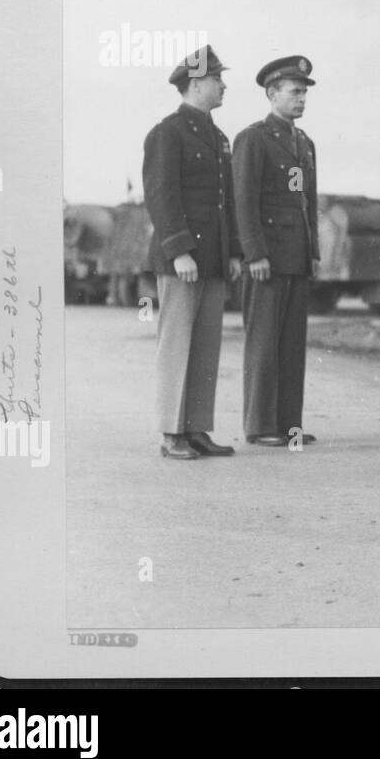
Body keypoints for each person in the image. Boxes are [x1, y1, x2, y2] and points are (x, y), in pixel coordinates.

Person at [142, 46, 242, 460]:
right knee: (177, 343)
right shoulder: (168, 132)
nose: (224, 86)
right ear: (197, 84)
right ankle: (171, 432)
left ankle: (196, 428)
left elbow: (227, 201)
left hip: (214, 258)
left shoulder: (217, 136)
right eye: (218, 80)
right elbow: (162, 196)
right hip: (182, 259)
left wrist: (233, 251)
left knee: (205, 346)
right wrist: (180, 250)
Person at [233, 56, 320, 447]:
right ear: (271, 94)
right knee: (265, 343)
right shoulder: (254, 138)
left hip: (295, 255)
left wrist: (312, 251)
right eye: (294, 91)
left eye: (304, 92)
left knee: (291, 345)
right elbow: (244, 201)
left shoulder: (303, 142)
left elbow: (306, 201)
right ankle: (260, 425)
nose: (302, 99)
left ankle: (289, 424)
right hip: (267, 256)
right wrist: (254, 254)